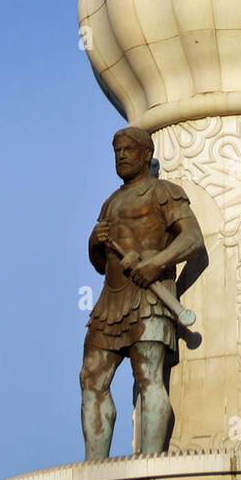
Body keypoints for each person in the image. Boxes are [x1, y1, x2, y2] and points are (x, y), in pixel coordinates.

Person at [80, 126, 203, 458]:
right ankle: (94, 463)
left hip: (151, 298)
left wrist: (156, 262)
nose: (120, 155)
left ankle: (148, 460)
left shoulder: (164, 192)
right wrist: (94, 243)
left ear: (146, 154)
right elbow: (99, 264)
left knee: (148, 376)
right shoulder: (110, 203)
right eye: (116, 150)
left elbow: (192, 238)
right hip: (111, 300)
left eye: (128, 149)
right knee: (91, 379)